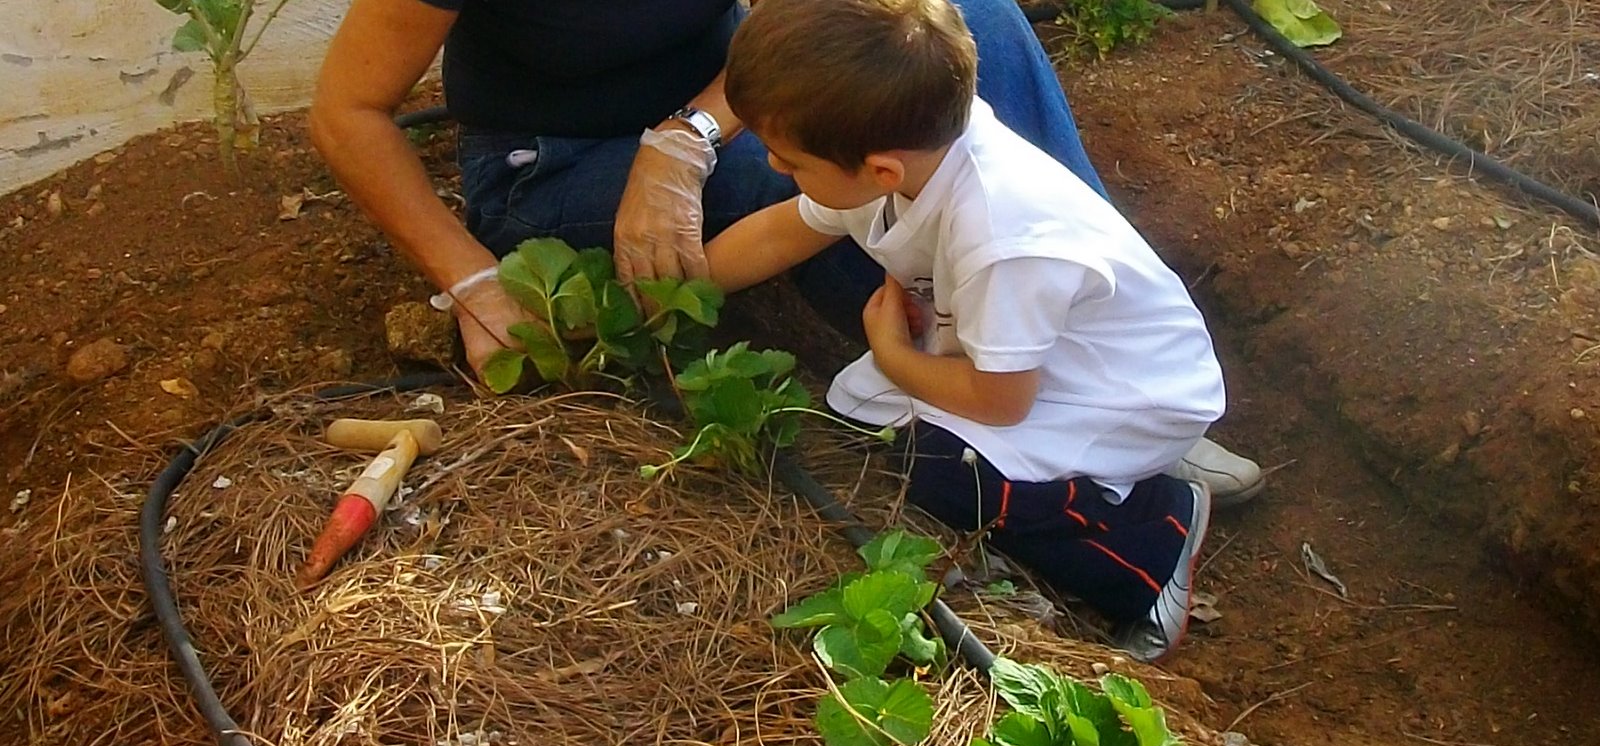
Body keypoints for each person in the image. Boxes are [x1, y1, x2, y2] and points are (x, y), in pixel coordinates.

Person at [307, 0, 1263, 504]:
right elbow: (347, 113)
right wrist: (473, 282)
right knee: (815, 186)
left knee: (970, 21)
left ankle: (1085, 363)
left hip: (727, 106)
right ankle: (994, 411)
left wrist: (685, 136)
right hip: (555, 157)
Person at [705, 0, 1228, 660]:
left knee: (950, 475)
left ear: (880, 172)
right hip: (1032, 356)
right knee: (866, 423)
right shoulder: (907, 151)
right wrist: (667, 293)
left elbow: (999, 400)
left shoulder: (1003, 232)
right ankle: (1109, 477)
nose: (775, 170)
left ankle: (1152, 535)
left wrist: (893, 356)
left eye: (788, 159)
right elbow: (783, 231)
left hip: (1124, 391)